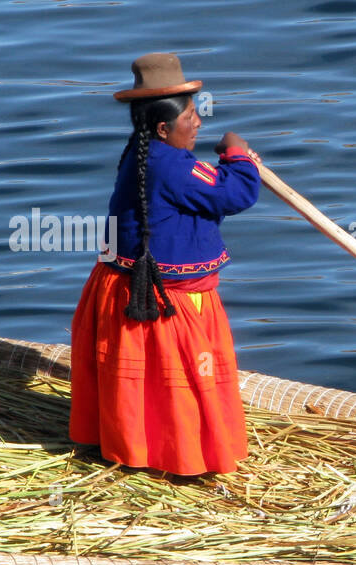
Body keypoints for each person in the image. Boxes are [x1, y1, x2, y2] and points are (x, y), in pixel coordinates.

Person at [69, 52, 261, 476]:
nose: (198, 124)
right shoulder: (172, 165)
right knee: (180, 380)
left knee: (143, 382)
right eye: (191, 117)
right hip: (162, 298)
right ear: (163, 127)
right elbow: (234, 196)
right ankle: (182, 455)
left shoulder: (144, 152)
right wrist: (237, 154)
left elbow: (195, 194)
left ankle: (132, 446)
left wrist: (226, 168)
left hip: (123, 283)